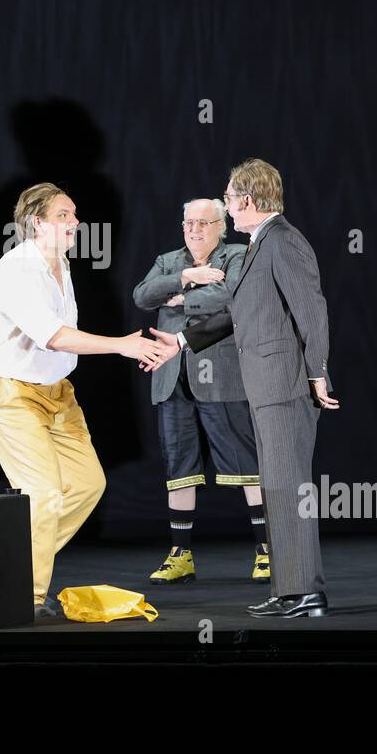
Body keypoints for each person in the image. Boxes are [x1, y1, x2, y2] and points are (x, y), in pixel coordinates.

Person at [0, 183, 172, 619]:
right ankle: (23, 596)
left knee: (86, 485)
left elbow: (54, 344)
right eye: (64, 215)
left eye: (75, 215)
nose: (75, 223)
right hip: (11, 392)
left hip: (56, 393)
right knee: (43, 494)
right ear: (37, 222)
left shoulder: (60, 264)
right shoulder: (16, 270)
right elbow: (55, 337)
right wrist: (122, 345)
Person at [148, 159, 339, 619]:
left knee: (288, 489)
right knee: (277, 489)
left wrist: (317, 372)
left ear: (248, 200)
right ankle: (289, 589)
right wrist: (180, 341)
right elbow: (237, 312)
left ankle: (306, 592)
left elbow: (312, 311)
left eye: (229, 198)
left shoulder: (284, 241)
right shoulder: (260, 243)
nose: (228, 206)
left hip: (285, 384)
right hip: (265, 384)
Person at [133, 198, 268, 584]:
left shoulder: (237, 254)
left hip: (221, 378)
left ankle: (267, 551)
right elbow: (142, 296)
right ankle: (181, 556)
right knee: (179, 468)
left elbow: (231, 296)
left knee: (247, 464)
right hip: (171, 379)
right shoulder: (168, 261)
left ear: (220, 226)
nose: (194, 229)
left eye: (203, 223)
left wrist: (180, 300)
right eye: (189, 223)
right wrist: (186, 279)